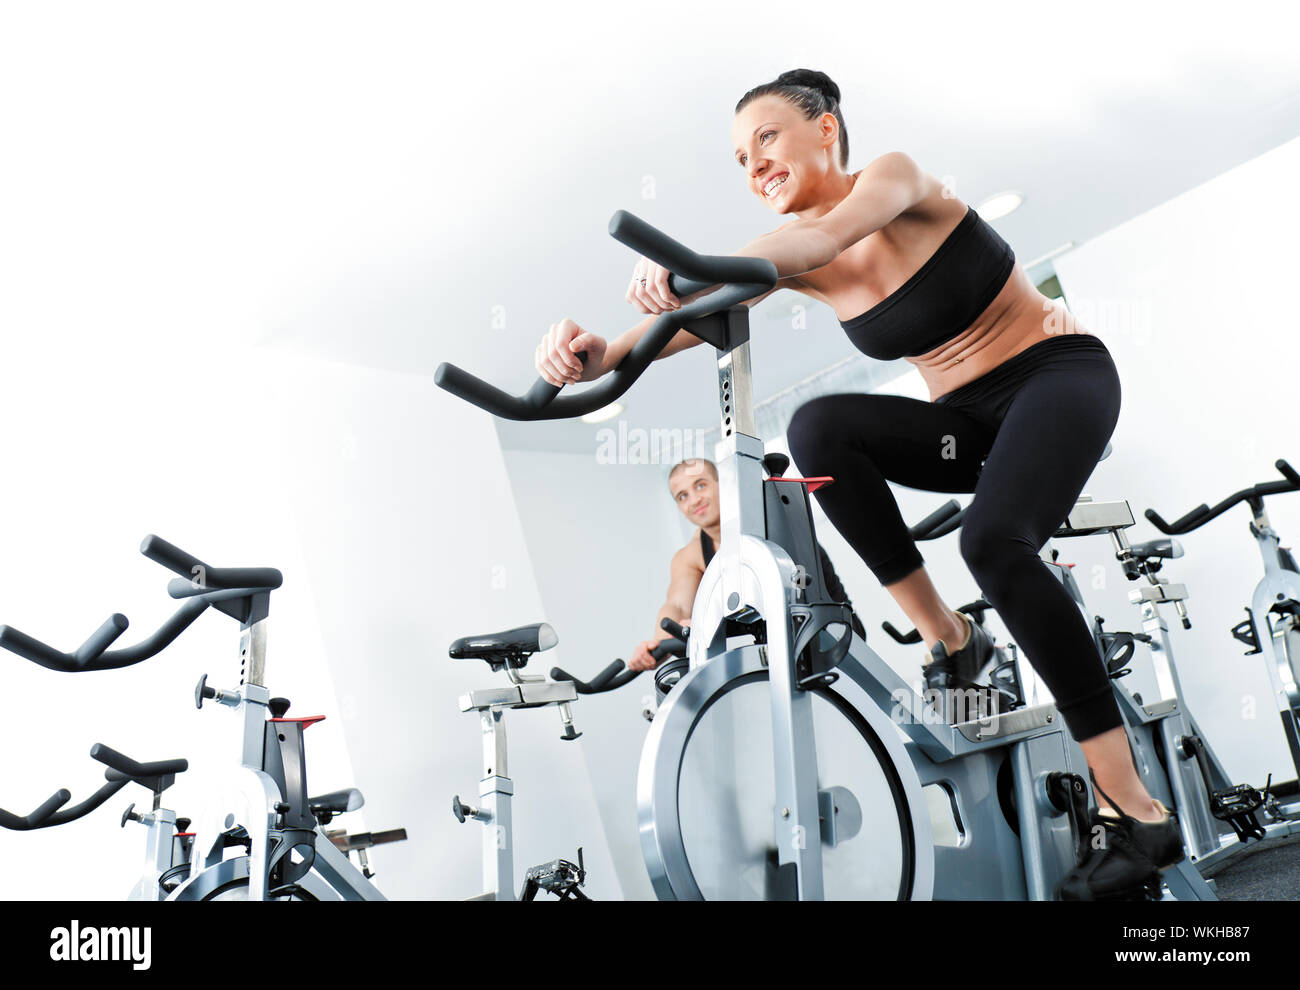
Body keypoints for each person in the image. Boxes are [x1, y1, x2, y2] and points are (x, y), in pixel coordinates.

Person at [533, 68, 1176, 899]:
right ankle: (951, 638)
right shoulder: (791, 253)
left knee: (992, 542)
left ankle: (1135, 810)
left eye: (766, 137)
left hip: (1056, 378)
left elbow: (811, 244)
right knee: (818, 429)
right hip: (964, 427)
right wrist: (605, 350)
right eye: (739, 157)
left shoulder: (895, 180)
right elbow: (692, 321)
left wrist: (687, 273)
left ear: (827, 128)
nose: (754, 163)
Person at [625, 456, 866, 673]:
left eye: (700, 485)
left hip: (837, 637)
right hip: (779, 656)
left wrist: (705, 622)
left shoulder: (767, 520)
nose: (694, 499)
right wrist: (657, 644)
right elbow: (676, 605)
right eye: (683, 496)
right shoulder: (691, 554)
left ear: (722, 486)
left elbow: (791, 593)